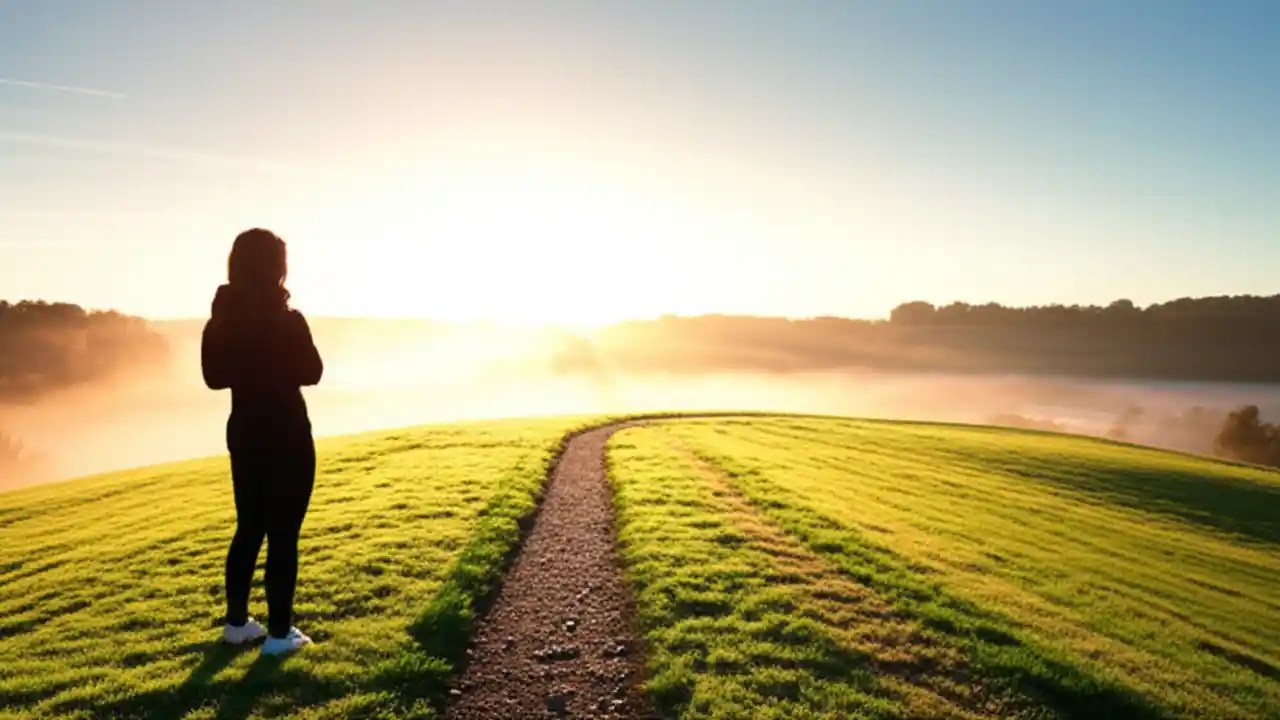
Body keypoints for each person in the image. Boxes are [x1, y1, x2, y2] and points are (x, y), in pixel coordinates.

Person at [201, 228, 323, 655]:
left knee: (249, 527)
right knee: (284, 533)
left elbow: (214, 378)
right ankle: (278, 634)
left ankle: (237, 624)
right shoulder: (288, 320)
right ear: (277, 268)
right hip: (288, 433)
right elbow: (313, 371)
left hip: (245, 434)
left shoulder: (220, 320)